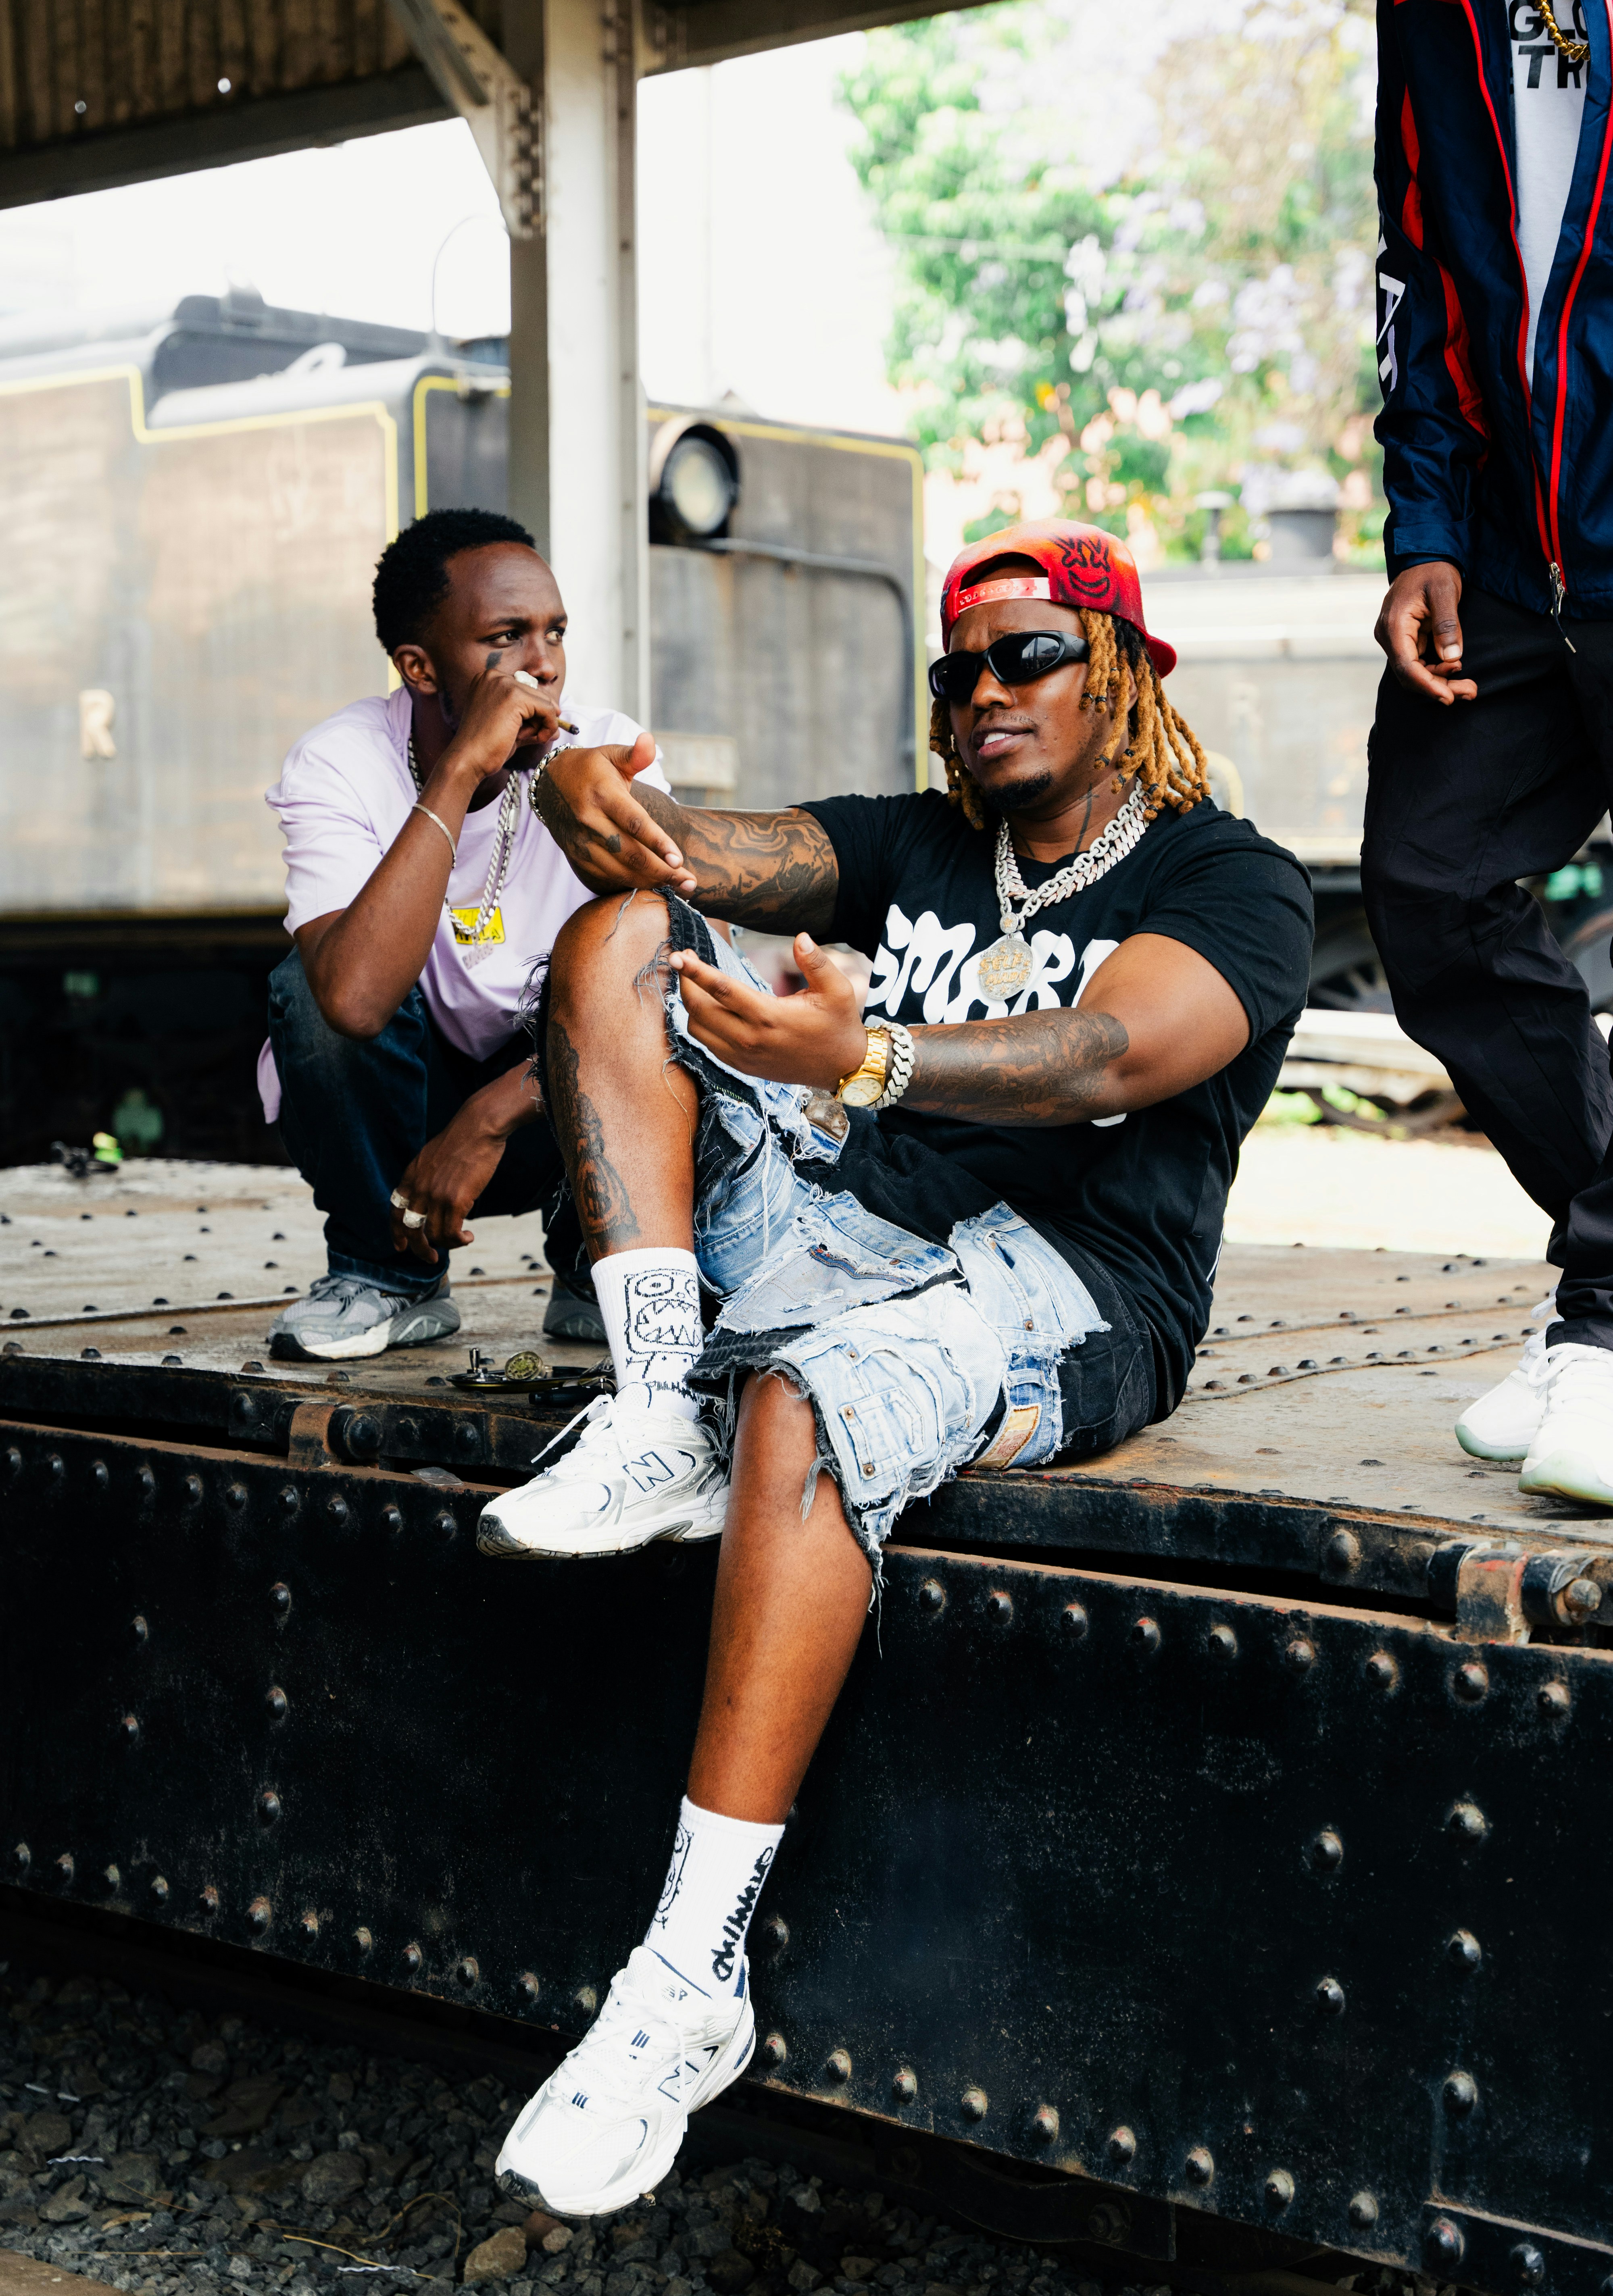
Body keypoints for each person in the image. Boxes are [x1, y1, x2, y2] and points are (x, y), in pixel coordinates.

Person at [475, 520, 1313, 2218]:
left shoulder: (1231, 877)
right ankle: (658, 1406)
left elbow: (1109, 1056)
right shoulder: (916, 842)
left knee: (811, 1394)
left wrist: (869, 1054)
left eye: (1031, 654)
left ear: (1122, 675)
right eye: (961, 668)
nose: (987, 689)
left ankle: (685, 1980)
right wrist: (577, 791)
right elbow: (691, 851)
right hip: (846, 1221)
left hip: (1067, 1286)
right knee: (623, 935)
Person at [1365, 0, 1613, 1499]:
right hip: (1517, 547)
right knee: (1431, 882)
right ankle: (1609, 1287)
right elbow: (1418, 262)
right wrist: (1430, 530)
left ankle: (1604, 1317)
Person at [259, 507, 665, 1361]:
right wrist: (459, 769)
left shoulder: (605, 751)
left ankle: (599, 1255)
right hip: (408, 1116)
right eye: (506, 638)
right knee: (309, 985)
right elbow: (352, 1002)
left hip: (546, 1102)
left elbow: (670, 983)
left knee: (649, 967)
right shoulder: (339, 764)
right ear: (419, 667)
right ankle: (385, 1275)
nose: (544, 664)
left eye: (555, 632)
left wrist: (491, 1113)